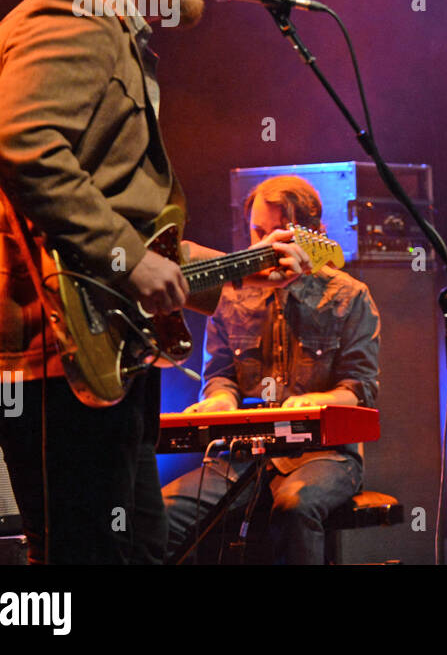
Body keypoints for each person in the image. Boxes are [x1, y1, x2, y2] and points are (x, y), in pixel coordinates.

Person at [0, 0, 309, 564]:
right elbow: (24, 144)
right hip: (50, 350)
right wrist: (133, 257)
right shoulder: (78, 14)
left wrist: (240, 269)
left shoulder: (114, 31)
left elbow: (119, 234)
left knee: (131, 552)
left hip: (93, 353)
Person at [161, 175, 381, 565]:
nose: (264, 247)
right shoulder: (229, 293)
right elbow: (220, 377)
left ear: (317, 234)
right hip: (243, 457)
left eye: (278, 234)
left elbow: (361, 387)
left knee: (293, 507)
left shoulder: (350, 295)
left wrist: (317, 402)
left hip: (324, 457)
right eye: (256, 233)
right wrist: (219, 401)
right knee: (163, 513)